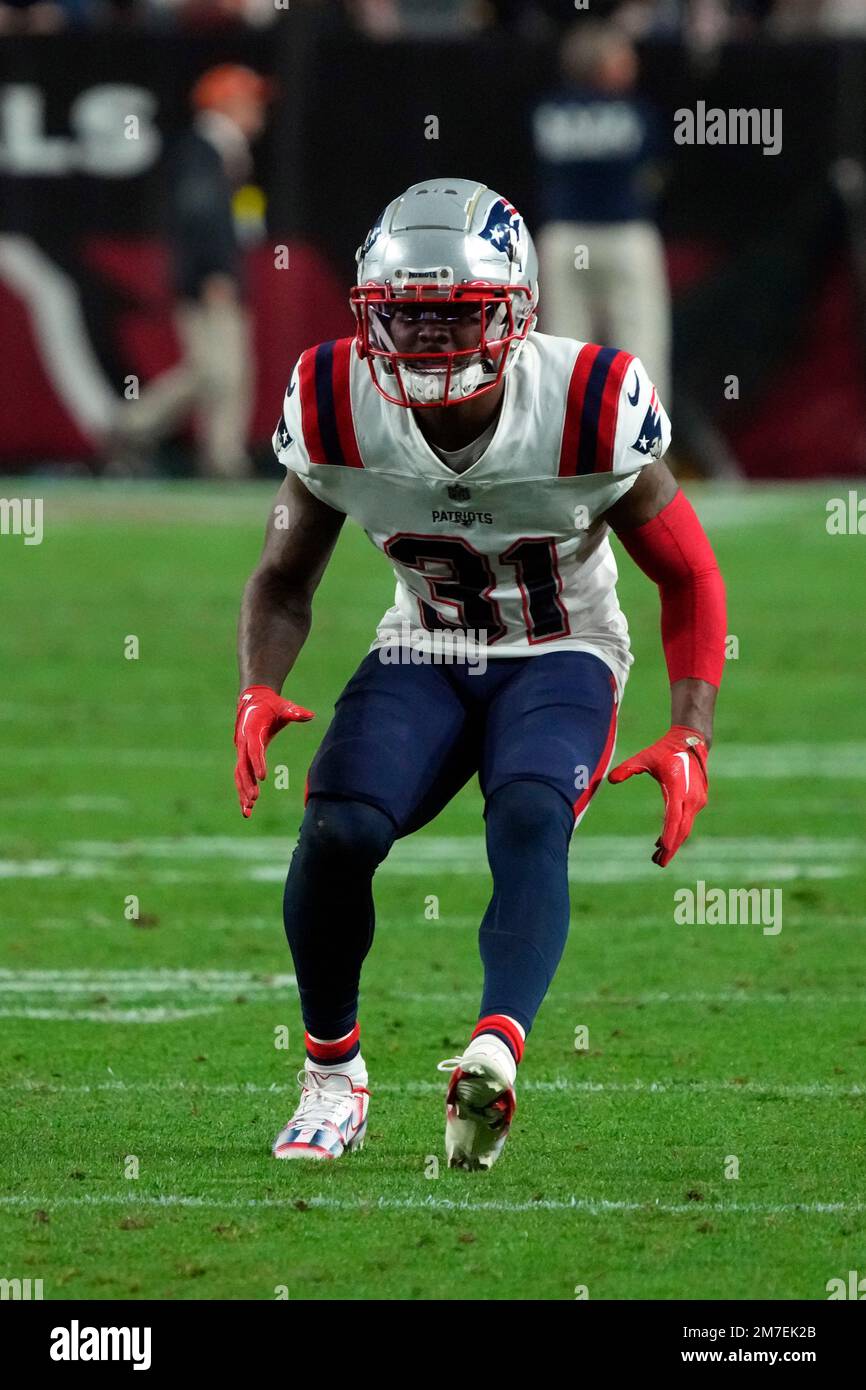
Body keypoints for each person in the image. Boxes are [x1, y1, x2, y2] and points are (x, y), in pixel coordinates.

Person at [234, 178, 726, 1169]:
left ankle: (494, 1052)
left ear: (514, 312)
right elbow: (283, 577)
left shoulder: (584, 399)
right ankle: (332, 1075)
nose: (422, 343)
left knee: (531, 813)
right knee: (336, 828)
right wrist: (256, 682)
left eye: (448, 317)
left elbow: (686, 573)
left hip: (562, 647)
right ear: (368, 315)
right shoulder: (335, 397)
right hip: (423, 642)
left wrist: (689, 729)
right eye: (401, 317)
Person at [105, 64, 273, 478]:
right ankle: (207, 452)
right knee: (222, 370)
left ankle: (209, 451)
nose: (259, 111)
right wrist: (215, 272)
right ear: (229, 103)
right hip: (209, 278)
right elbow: (200, 215)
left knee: (218, 370)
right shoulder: (204, 149)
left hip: (210, 275)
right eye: (251, 100)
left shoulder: (221, 150)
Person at [532, 20, 672, 408]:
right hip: (626, 235)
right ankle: (647, 446)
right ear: (600, 64)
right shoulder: (635, 112)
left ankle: (565, 442)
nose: (631, 64)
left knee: (565, 349)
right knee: (641, 344)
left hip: (564, 237)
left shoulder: (548, 111)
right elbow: (653, 173)